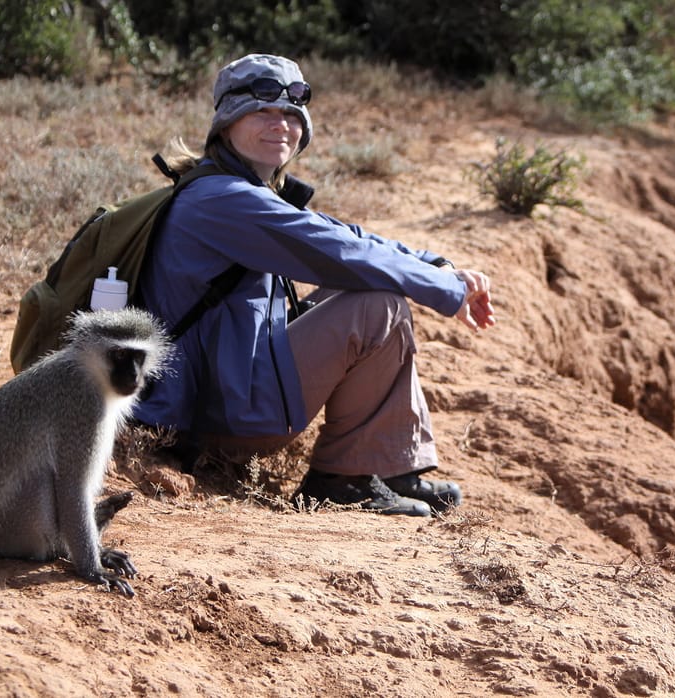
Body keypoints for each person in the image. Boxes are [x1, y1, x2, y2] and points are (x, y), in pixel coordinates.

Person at [132, 53, 496, 517]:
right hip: (209, 419)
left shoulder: (236, 188)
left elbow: (347, 236)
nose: (278, 124)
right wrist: (446, 291)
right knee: (377, 306)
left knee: (367, 293)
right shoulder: (222, 200)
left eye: (290, 114)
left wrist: (438, 266)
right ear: (226, 123)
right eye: (260, 111)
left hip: (224, 391)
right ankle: (342, 482)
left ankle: (386, 468)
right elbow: (339, 254)